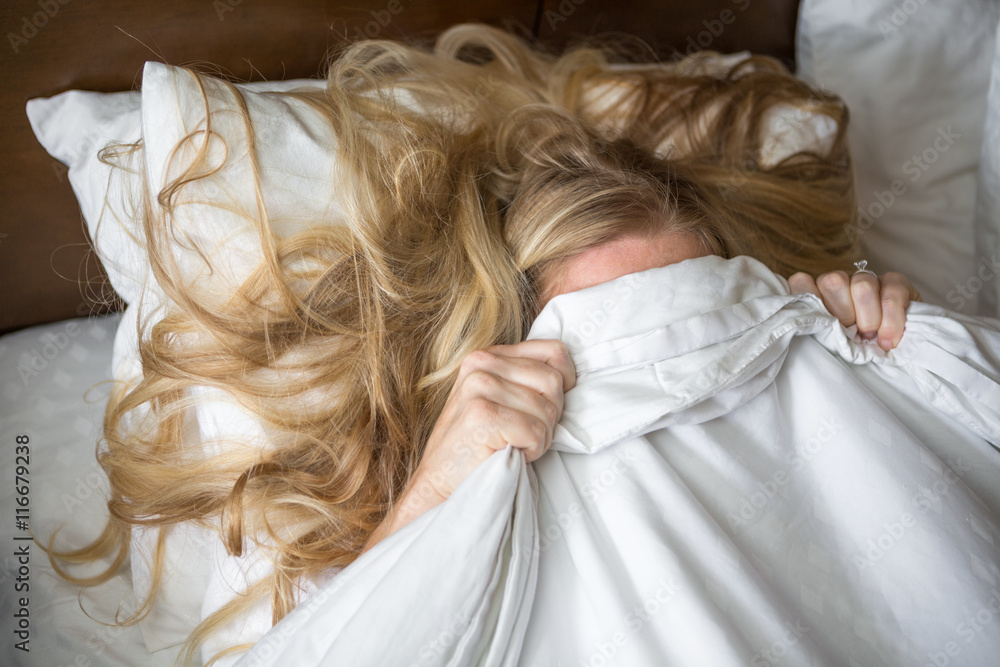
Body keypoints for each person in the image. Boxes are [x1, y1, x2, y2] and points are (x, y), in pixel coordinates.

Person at [52, 23, 923, 664]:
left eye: (703, 312)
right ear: (506, 358)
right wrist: (435, 487)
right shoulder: (433, 510)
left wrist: (893, 375)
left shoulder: (825, 358)